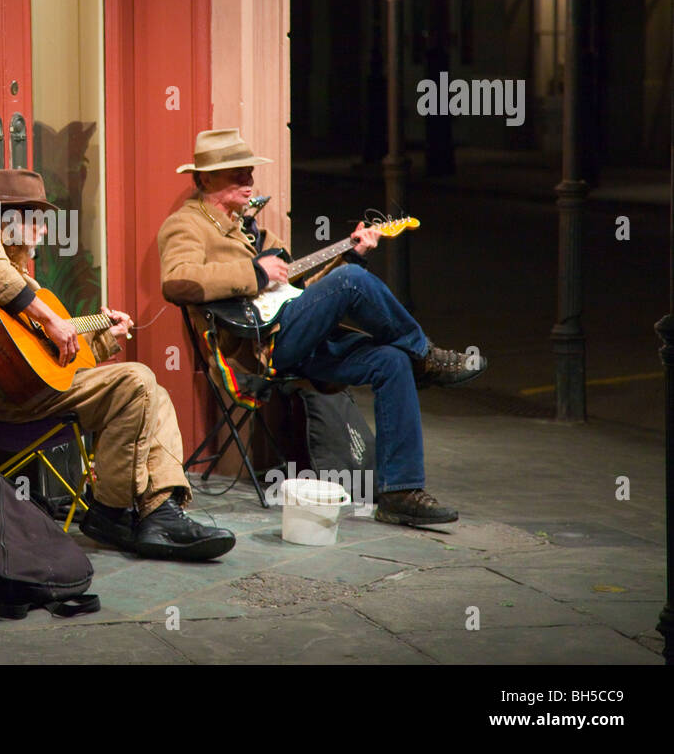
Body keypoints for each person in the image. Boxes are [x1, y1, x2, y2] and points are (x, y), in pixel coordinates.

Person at [157, 129, 487, 527]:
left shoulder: (255, 230)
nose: (249, 181)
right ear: (206, 178)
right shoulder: (187, 225)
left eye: (249, 173)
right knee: (352, 285)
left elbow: (300, 294)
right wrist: (253, 272)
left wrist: (352, 256)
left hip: (296, 332)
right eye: (238, 174)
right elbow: (177, 281)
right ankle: (427, 357)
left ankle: (399, 492)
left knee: (390, 359)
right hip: (259, 349)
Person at [0, 168, 235, 560]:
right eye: (39, 219)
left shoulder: (20, 276)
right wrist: (51, 320)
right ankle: (111, 510)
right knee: (137, 381)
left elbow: (54, 358)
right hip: (4, 402)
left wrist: (103, 336)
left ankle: (162, 509)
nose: (46, 231)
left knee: (155, 393)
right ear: (12, 218)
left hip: (35, 391)